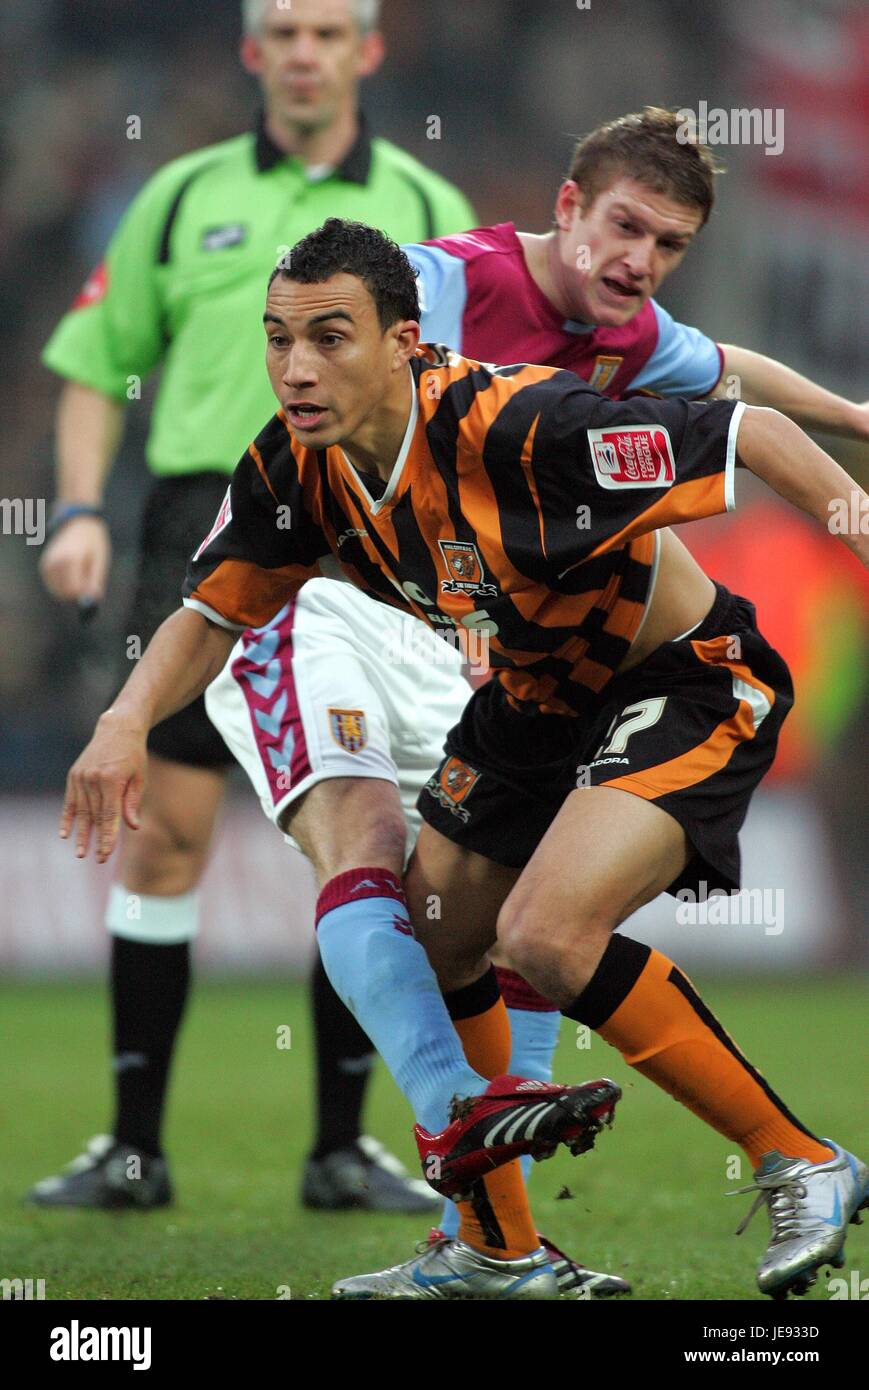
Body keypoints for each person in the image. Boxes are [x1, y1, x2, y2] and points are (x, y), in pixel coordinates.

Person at [61, 220, 869, 1299]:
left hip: (680, 677)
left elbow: (754, 433)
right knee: (436, 938)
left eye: (329, 338)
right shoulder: (291, 465)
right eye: (278, 337)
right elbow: (209, 612)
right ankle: (493, 1250)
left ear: (403, 340)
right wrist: (122, 721)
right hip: (530, 707)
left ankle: (799, 1158)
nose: (296, 367)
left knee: (543, 935)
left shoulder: (521, 427)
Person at [31, 0, 476, 1216]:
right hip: (197, 522)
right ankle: (134, 1150)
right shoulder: (176, 196)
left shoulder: (432, 211)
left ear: (366, 53)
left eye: (328, 32)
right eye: (282, 30)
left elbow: (472, 390)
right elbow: (90, 359)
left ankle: (339, 1150)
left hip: (362, 531)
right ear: (251, 52)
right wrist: (76, 510)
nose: (302, 50)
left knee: (364, 833)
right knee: (165, 833)